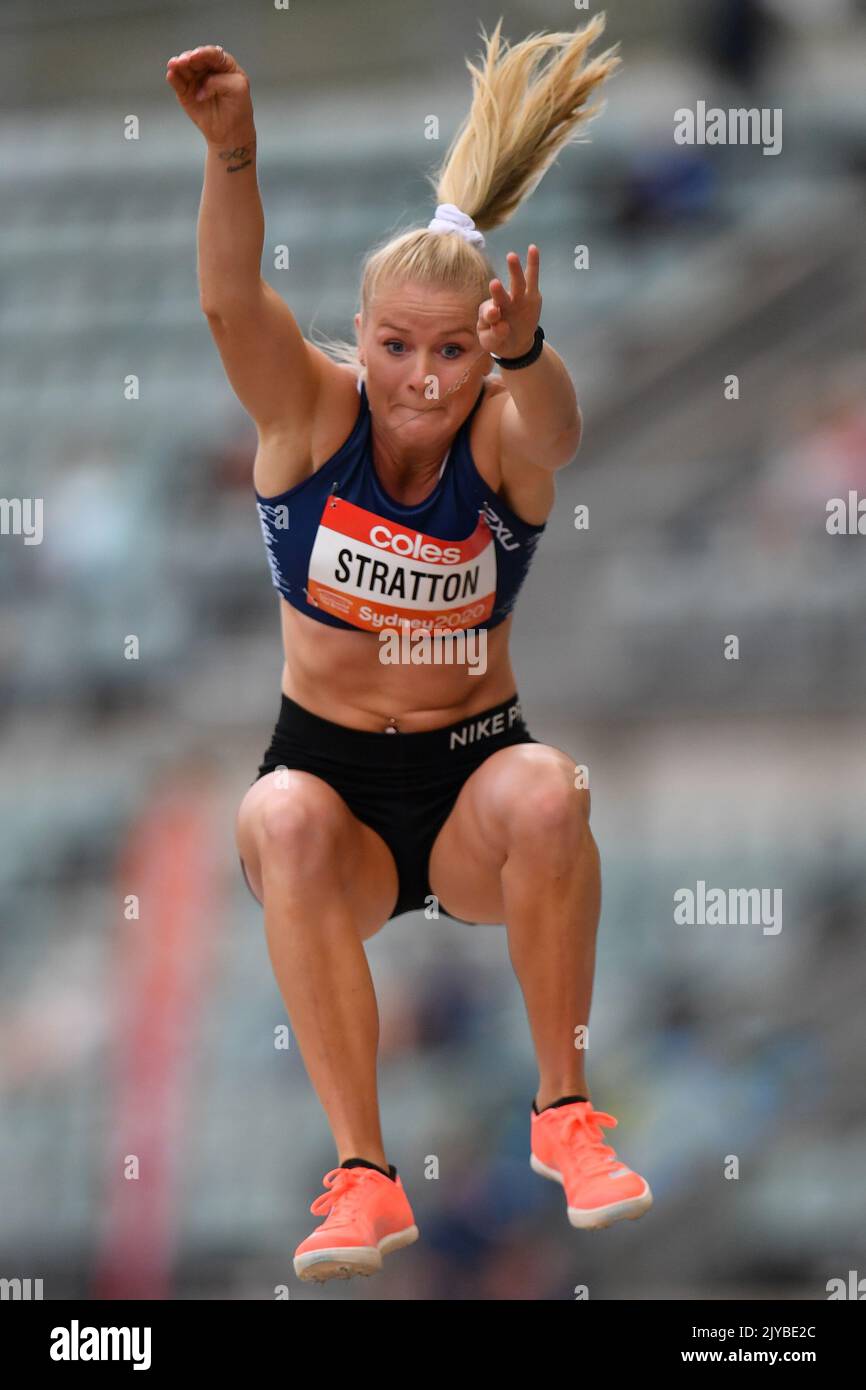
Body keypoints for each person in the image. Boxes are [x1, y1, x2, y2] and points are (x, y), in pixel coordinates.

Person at [166, 13, 652, 1287]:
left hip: (471, 794)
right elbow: (227, 300)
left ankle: (565, 1117)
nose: (422, 379)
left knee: (556, 786)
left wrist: (527, 353)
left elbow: (556, 435)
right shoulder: (311, 414)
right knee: (271, 817)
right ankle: (362, 1176)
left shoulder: (500, 425)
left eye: (450, 351)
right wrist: (234, 155)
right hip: (336, 799)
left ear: (479, 349)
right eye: (396, 346)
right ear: (359, 338)